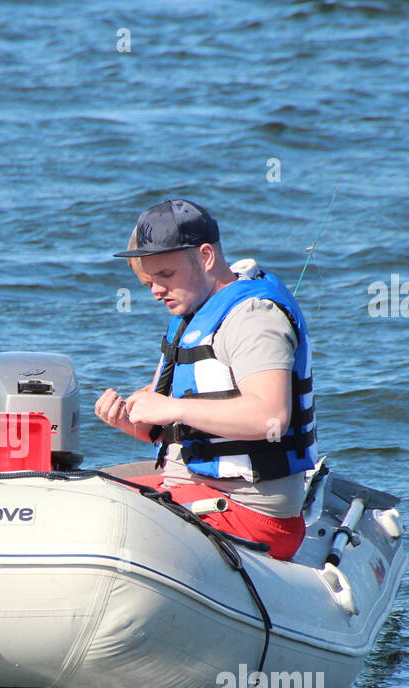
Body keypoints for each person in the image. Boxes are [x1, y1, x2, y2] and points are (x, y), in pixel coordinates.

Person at [95, 199, 317, 560]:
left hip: (251, 515)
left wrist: (171, 407)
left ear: (206, 257)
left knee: (103, 514)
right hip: (195, 493)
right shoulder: (191, 314)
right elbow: (180, 428)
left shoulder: (253, 318)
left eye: (166, 276)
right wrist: (130, 421)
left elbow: (270, 417)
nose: (154, 290)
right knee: (83, 493)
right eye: (150, 278)